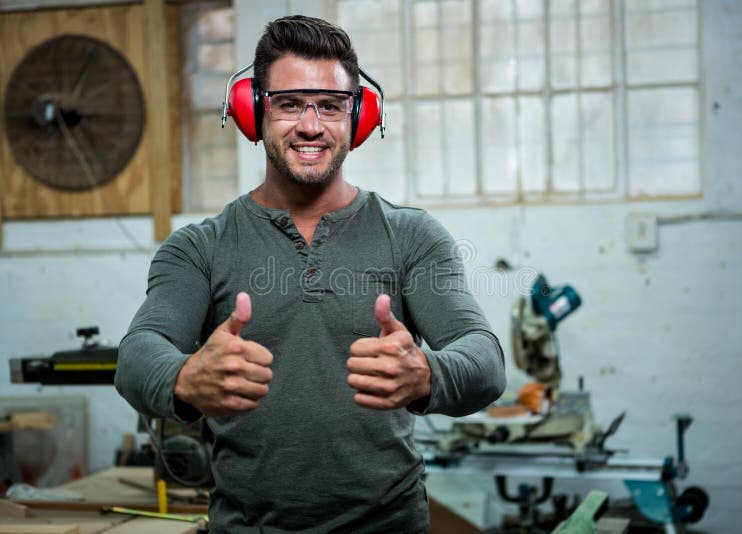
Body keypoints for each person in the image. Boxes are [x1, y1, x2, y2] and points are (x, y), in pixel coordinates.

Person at [115, 15, 505, 533]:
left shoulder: (411, 236)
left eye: (330, 105)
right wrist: (186, 378)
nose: (311, 125)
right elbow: (137, 354)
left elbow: (484, 357)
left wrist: (427, 375)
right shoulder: (198, 247)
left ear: (359, 117)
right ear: (254, 111)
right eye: (289, 103)